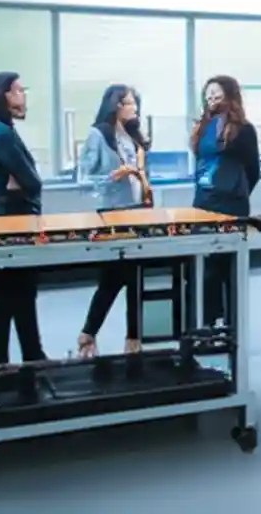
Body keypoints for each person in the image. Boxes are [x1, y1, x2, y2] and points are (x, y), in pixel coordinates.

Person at [0, 71, 48, 367]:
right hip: (13, 219)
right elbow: (32, 182)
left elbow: (23, 180)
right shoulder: (1, 134)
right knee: (13, 295)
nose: (23, 95)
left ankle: (30, 356)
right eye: (17, 90)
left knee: (17, 295)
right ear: (2, 96)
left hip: (7, 215)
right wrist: (21, 182)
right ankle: (6, 364)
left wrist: (18, 181)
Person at [76, 84, 150, 357]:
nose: (135, 108)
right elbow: (83, 180)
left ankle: (133, 338)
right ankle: (89, 333)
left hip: (138, 211)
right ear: (116, 105)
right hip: (112, 214)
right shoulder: (98, 135)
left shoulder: (133, 136)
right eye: (130, 103)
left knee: (135, 276)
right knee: (113, 277)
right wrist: (112, 177)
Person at [190, 75, 260, 327]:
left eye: (217, 94)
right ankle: (208, 321)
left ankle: (232, 324)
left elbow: (253, 170)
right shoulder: (203, 127)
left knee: (228, 266)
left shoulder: (244, 130)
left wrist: (235, 191)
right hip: (203, 203)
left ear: (230, 96)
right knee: (205, 267)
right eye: (208, 95)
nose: (211, 99)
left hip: (231, 205)